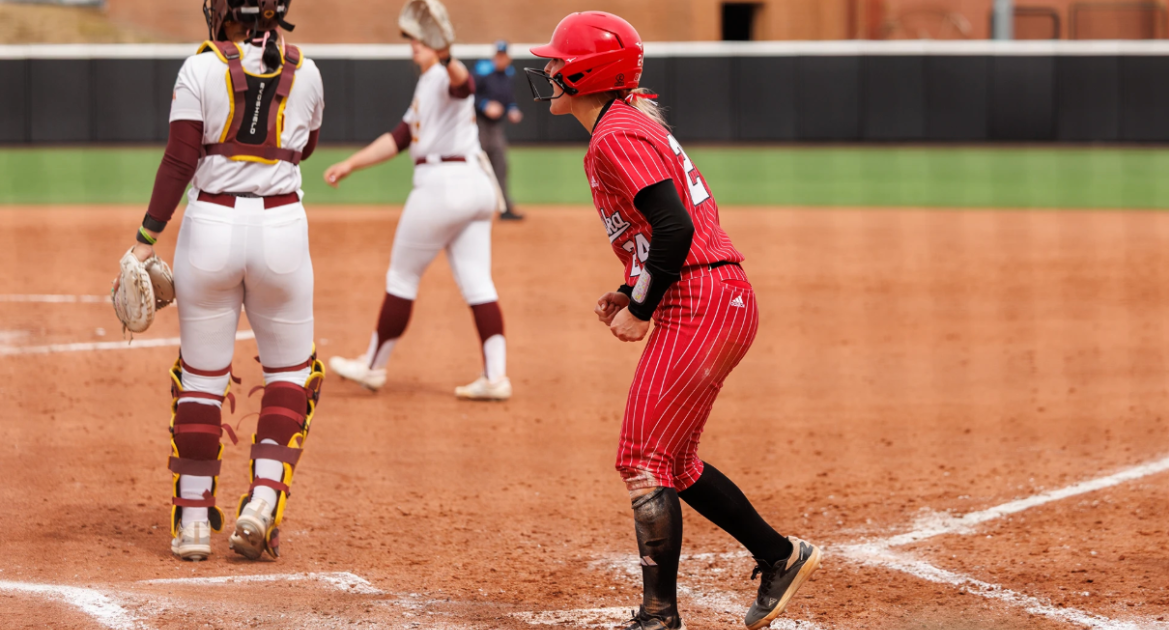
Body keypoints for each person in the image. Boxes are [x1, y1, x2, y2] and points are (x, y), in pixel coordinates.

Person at [526, 12, 821, 630]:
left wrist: (640, 308)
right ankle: (779, 556)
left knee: (641, 457)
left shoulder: (616, 136)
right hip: (712, 294)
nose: (549, 70)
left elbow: (677, 227)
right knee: (675, 463)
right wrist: (628, 286)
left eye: (558, 60)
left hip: (704, 301)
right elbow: (668, 230)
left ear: (587, 72)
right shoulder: (621, 127)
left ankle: (658, 616)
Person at [122, 0, 326, 561]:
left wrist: (145, 239)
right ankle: (262, 504)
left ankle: (191, 522)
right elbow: (305, 146)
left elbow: (179, 159)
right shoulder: (307, 69)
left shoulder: (200, 67)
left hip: (209, 225)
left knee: (201, 378)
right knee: (291, 371)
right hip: (282, 227)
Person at [322, 15, 511, 401]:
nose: (414, 45)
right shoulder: (427, 82)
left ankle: (372, 366)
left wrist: (445, 57)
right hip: (475, 187)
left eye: (421, 40)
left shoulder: (444, 74)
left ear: (439, 45)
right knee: (479, 283)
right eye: (413, 40)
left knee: (401, 278)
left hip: (442, 187)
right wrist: (352, 163)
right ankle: (495, 377)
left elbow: (465, 84)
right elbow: (399, 137)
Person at [474, 40, 524, 221]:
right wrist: (485, 104)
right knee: (478, 164)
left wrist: (512, 108)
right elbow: (470, 94)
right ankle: (473, 206)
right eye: (499, 55)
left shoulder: (509, 74)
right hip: (478, 124)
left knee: (501, 163)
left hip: (495, 126)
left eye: (504, 55)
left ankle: (504, 207)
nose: (501, 59)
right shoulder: (483, 70)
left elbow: (508, 98)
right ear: (495, 55)